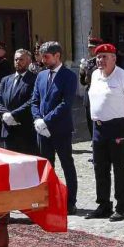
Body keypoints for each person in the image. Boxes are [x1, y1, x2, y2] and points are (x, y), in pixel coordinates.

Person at [86, 42, 124, 221]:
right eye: (98, 57)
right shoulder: (94, 75)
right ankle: (103, 204)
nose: (100, 60)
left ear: (114, 58)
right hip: (98, 128)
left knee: (119, 168)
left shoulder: (123, 77)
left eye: (105, 57)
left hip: (118, 127)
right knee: (100, 167)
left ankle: (121, 207)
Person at [30, 41, 80, 214]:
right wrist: (37, 119)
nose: (43, 60)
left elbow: (65, 103)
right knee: (46, 165)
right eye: (42, 56)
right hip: (42, 130)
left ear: (57, 56)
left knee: (67, 164)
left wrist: (47, 120)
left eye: (47, 57)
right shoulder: (41, 76)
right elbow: (35, 100)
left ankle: (70, 201)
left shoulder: (68, 76)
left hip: (60, 128)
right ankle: (47, 198)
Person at [0, 49, 39, 155]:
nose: (18, 62)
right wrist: (5, 115)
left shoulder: (35, 79)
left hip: (26, 130)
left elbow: (32, 101)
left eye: (21, 59)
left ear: (29, 62)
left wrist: (13, 115)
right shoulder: (6, 80)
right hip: (8, 130)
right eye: (16, 59)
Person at [78, 35, 102, 133]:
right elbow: (83, 82)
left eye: (92, 48)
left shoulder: (101, 62)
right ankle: (93, 139)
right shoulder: (88, 62)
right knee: (89, 119)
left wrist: (88, 69)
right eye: (89, 48)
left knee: (99, 120)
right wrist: (82, 70)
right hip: (89, 93)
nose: (89, 50)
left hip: (99, 94)